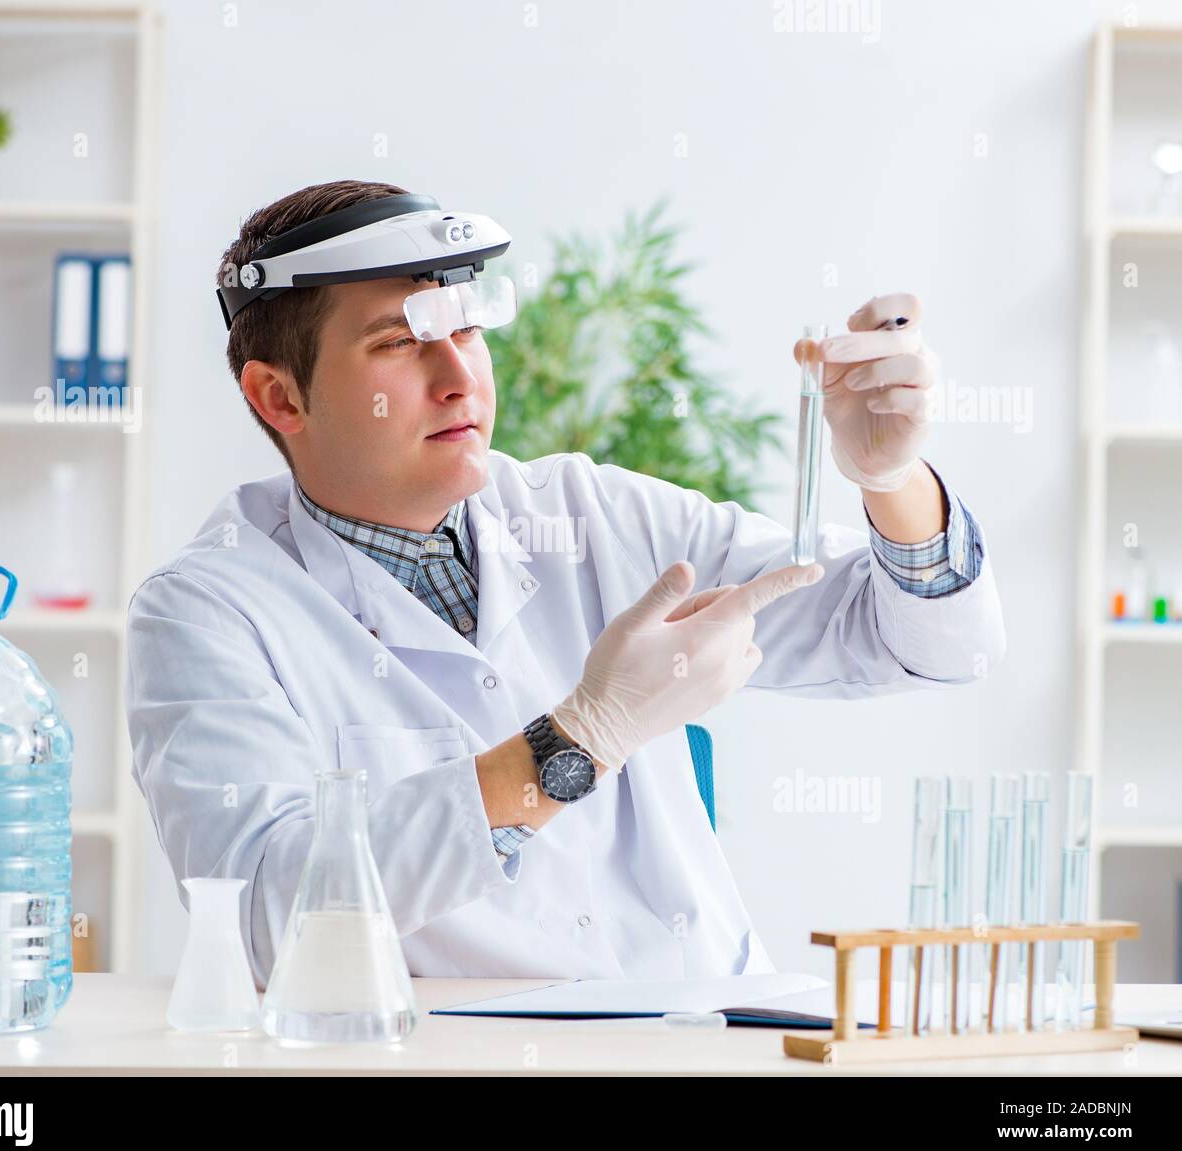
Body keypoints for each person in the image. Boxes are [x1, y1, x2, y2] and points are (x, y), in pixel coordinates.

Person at [126, 178, 1004, 985]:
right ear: (281, 399)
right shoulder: (208, 613)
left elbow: (927, 650)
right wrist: (578, 740)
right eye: (399, 342)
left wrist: (893, 483)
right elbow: (266, 922)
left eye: (465, 328)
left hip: (707, 1030)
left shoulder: (590, 514)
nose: (458, 377)